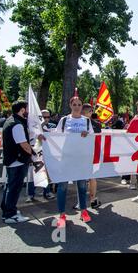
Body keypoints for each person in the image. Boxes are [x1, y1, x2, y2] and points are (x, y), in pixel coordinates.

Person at [54, 96, 94, 227]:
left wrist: (87, 135)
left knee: (82, 186)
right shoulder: (64, 120)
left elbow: (93, 138)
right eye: (74, 104)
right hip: (66, 158)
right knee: (62, 187)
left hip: (81, 159)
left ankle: (83, 211)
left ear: (82, 106)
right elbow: (55, 138)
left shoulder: (87, 121)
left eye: (79, 104)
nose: (77, 106)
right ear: (70, 105)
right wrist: (43, 137)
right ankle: (61, 215)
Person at [1, 101, 37, 224]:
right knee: (14, 188)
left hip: (13, 160)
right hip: (17, 161)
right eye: (27, 109)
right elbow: (23, 144)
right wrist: (33, 154)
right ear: (22, 110)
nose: (28, 112)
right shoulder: (17, 124)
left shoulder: (10, 121)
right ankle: (10, 215)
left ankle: (7, 211)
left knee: (10, 187)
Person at [82, 104, 102, 209]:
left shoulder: (97, 125)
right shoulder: (77, 123)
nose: (89, 113)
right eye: (87, 111)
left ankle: (93, 199)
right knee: (81, 179)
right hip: (79, 154)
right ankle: (81, 201)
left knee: (92, 178)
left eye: (90, 111)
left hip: (92, 154)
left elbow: (98, 140)